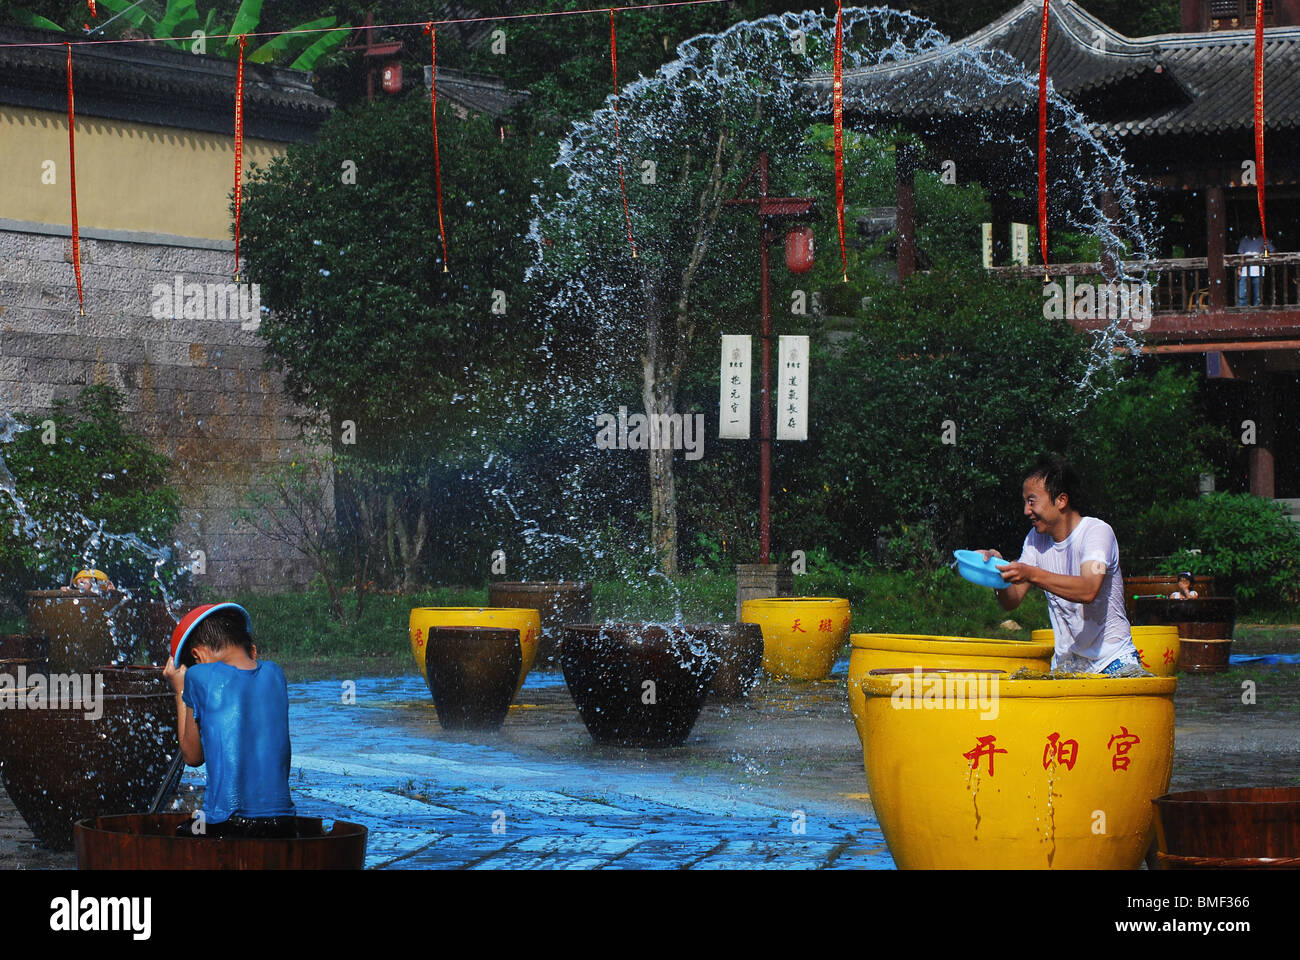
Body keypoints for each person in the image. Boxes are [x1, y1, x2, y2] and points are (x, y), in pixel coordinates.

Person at [982, 454, 1149, 676]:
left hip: (1114, 661)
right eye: (1024, 502)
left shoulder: (1097, 532)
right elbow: (1011, 600)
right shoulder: (1035, 539)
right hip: (1067, 667)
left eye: (1032, 501)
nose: (1026, 511)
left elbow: (1088, 589)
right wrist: (997, 570)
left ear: (1061, 500)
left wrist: (1031, 573)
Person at [161, 603, 296, 838]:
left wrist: (180, 689)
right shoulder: (276, 673)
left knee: (172, 837)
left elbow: (192, 757)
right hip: (283, 823)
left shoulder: (197, 675)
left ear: (198, 655)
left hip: (227, 823)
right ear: (251, 650)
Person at [1237, 233, 1273, 307]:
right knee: (1242, 296)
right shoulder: (1244, 240)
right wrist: (1239, 268)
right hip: (1245, 271)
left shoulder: (1263, 240)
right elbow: (1241, 256)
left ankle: (1257, 314)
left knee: (1258, 296)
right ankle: (1242, 313)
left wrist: (1265, 257)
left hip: (1258, 271)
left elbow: (1272, 251)